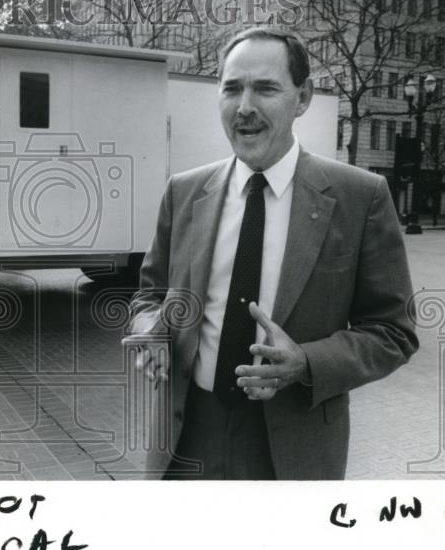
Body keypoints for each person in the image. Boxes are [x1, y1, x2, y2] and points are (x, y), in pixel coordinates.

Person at [126, 26, 418, 480]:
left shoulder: (360, 197)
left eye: (265, 88)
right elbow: (149, 295)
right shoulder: (184, 192)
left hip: (292, 448)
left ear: (302, 98)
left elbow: (393, 332)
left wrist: (306, 362)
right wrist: (153, 329)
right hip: (185, 435)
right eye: (232, 89)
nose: (245, 108)